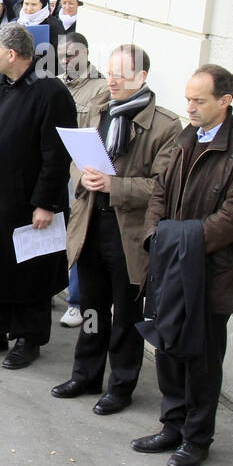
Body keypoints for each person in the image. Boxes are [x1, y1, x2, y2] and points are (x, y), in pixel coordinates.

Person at [132, 64, 233, 466]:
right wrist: (157, 235)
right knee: (168, 349)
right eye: (188, 98)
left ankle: (196, 438)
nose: (188, 106)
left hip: (211, 275)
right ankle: (171, 426)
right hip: (172, 266)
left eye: (199, 100)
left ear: (225, 101)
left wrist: (176, 243)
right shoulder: (186, 137)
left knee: (202, 360)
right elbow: (160, 191)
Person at [53, 44, 182, 414]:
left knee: (126, 315)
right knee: (91, 306)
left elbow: (162, 187)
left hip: (130, 234)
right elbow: (78, 159)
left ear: (141, 78)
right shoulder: (100, 109)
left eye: (121, 74)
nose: (110, 80)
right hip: (93, 222)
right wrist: (86, 177)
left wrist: (115, 185)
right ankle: (86, 374)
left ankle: (121, 385)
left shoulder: (166, 126)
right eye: (109, 72)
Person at [0, 23, 77, 369]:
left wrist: (46, 203)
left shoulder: (50, 93)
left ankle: (29, 338)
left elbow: (57, 154)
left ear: (12, 55)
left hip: (27, 204)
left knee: (30, 273)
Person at [56, 31, 108, 328]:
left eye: (73, 54)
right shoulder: (55, 83)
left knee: (77, 234)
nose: (66, 59)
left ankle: (76, 301)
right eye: (63, 54)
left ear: (86, 53)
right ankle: (49, 286)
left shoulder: (101, 89)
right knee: (50, 230)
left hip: (78, 172)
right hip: (54, 168)